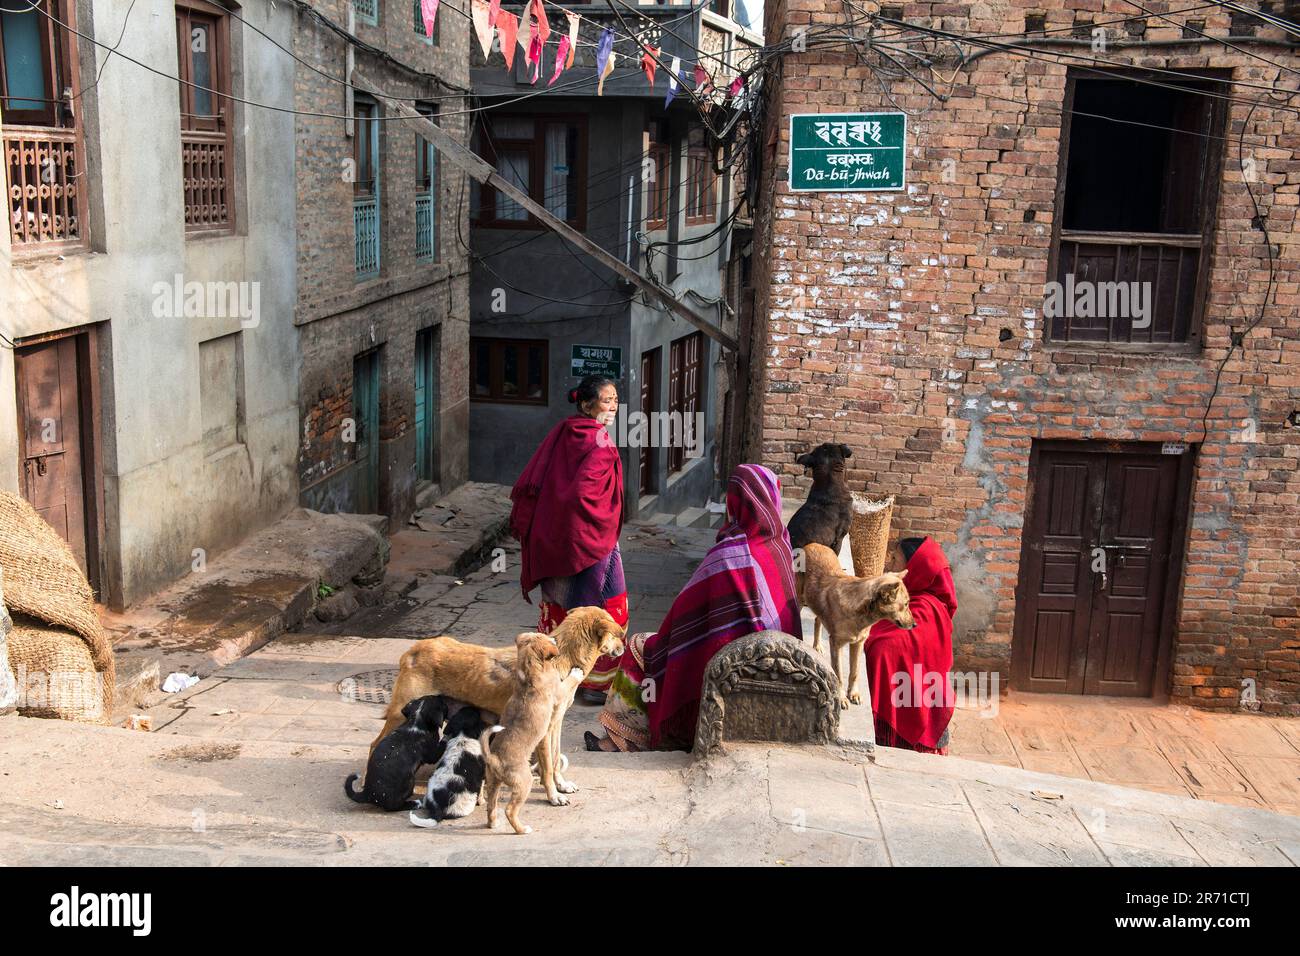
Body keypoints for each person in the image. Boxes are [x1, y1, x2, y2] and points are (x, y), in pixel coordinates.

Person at [589, 464, 801, 752]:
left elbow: (681, 616)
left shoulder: (729, 555)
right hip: (778, 665)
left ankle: (623, 742)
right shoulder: (782, 546)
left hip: (731, 665)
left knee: (640, 647)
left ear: (736, 501)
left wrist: (664, 643)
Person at [509, 375, 628, 705]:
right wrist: (596, 524)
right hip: (590, 537)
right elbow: (582, 493)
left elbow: (547, 481)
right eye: (607, 400)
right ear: (586, 404)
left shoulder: (565, 430)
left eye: (616, 399)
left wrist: (560, 521)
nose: (614, 405)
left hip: (559, 535)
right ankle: (591, 682)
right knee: (606, 608)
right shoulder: (598, 440)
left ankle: (552, 672)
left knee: (561, 605)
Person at [866, 535, 957, 754]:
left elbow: (885, 649)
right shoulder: (911, 599)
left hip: (919, 726)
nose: (890, 566)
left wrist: (867, 641)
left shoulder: (926, 610)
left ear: (914, 568)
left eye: (896, 560)